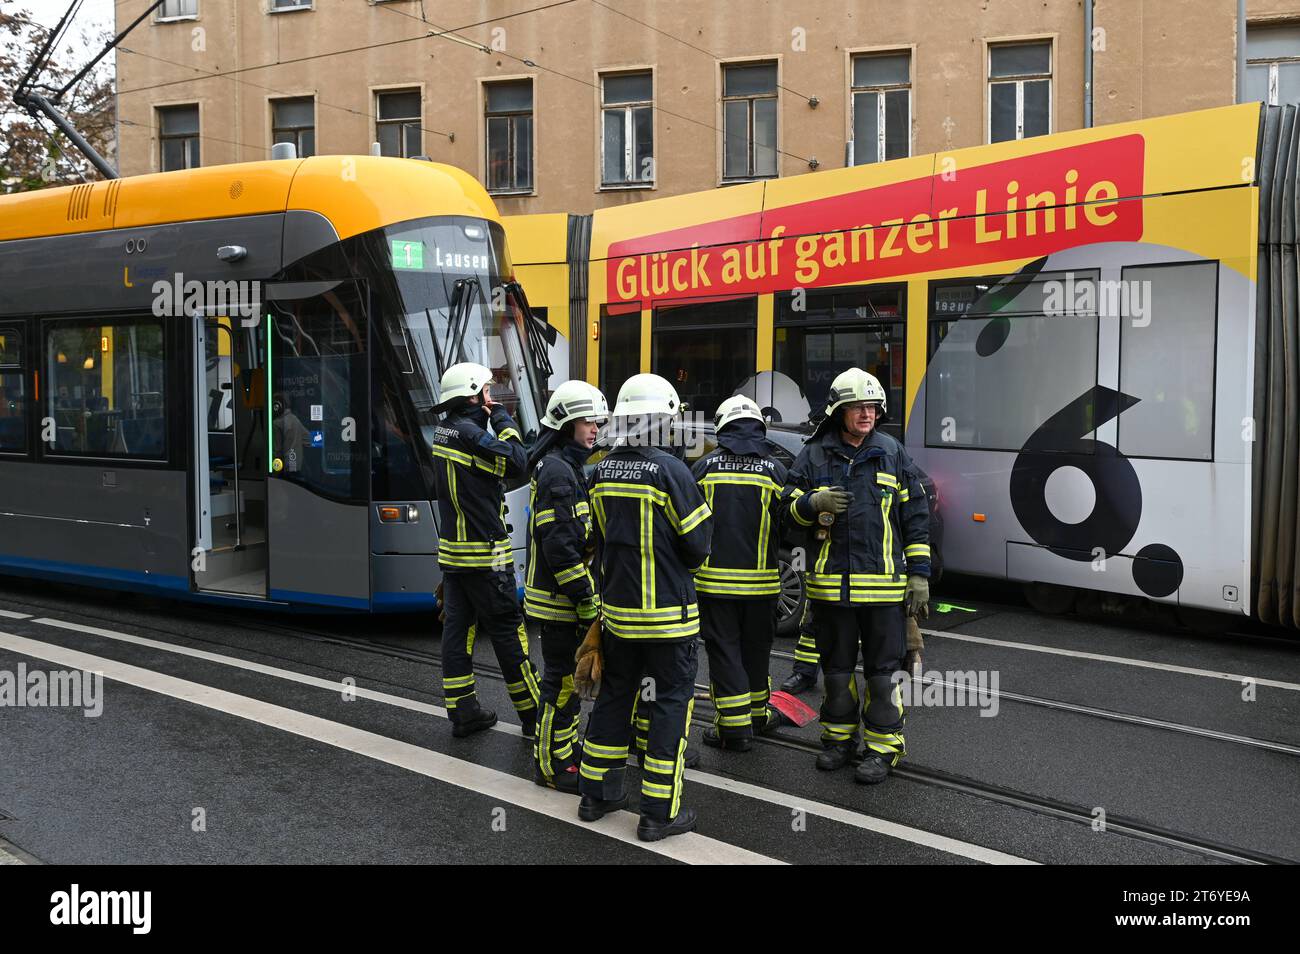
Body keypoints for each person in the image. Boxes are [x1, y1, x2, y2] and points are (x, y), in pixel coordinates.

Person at [576, 374, 712, 842]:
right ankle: (659, 812)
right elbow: (698, 546)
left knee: (615, 696)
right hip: (669, 618)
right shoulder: (672, 472)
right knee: (672, 704)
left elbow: (594, 540)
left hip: (617, 615)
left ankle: (596, 794)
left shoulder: (599, 470)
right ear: (662, 420)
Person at [785, 368, 930, 784]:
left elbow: (914, 517)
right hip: (832, 589)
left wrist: (918, 575)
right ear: (838, 411)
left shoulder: (891, 452)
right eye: (857, 407)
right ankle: (837, 742)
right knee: (836, 672)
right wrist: (812, 502)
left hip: (885, 590)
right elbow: (785, 511)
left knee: (882, 677)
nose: (866, 414)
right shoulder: (814, 456)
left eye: (872, 407)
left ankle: (883, 750)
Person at [431, 361, 540, 739]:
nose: (492, 398)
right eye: (488, 393)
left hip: (454, 556)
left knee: (457, 633)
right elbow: (519, 460)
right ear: (474, 396)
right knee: (509, 632)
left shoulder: (444, 430)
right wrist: (505, 420)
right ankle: (533, 716)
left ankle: (464, 711)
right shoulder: (473, 437)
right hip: (487, 557)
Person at [691, 394, 792, 751]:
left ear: (721, 428)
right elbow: (794, 525)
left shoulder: (704, 469)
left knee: (724, 651)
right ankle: (757, 714)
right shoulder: (776, 471)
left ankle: (733, 729)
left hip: (714, 585)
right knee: (756, 650)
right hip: (764, 586)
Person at [524, 380, 608, 793]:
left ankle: (563, 751)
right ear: (566, 423)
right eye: (588, 421)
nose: (595, 429)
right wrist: (588, 601)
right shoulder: (559, 470)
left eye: (597, 422)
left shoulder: (565, 465)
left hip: (563, 601)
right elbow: (559, 548)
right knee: (560, 686)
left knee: (569, 686)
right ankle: (550, 766)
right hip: (561, 603)